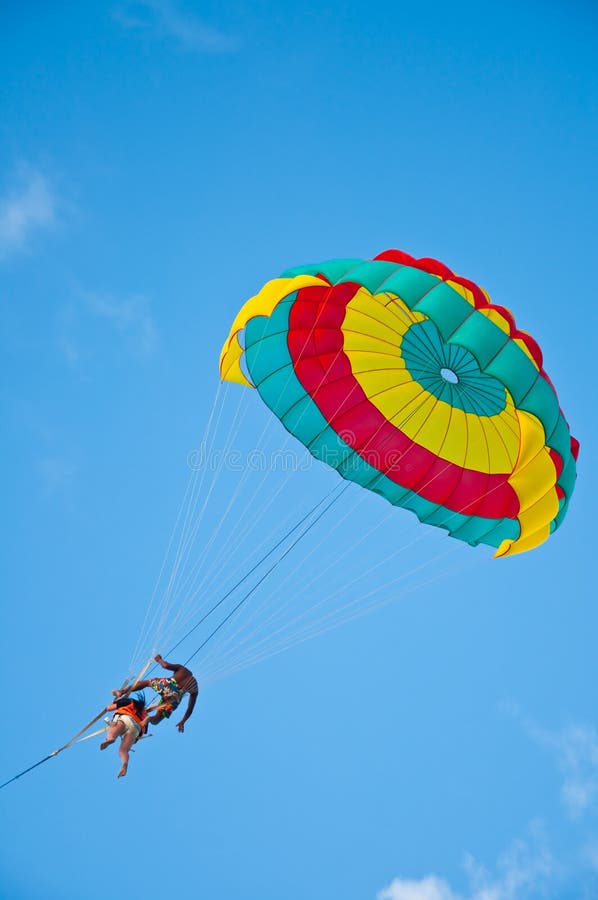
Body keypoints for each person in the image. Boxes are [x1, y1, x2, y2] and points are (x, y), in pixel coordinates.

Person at [114, 654, 198, 733]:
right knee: (157, 720)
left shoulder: (183, 669)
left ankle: (122, 692)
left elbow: (165, 665)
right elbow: (190, 708)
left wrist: (159, 660)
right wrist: (183, 721)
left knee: (147, 683)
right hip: (174, 699)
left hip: (166, 686)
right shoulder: (195, 686)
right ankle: (149, 719)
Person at [100, 695, 147, 778]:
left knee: (113, 729)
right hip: (136, 728)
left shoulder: (127, 701)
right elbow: (143, 731)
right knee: (123, 750)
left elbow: (109, 708)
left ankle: (110, 739)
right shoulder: (145, 714)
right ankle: (124, 764)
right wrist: (134, 740)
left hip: (125, 717)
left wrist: (114, 702)